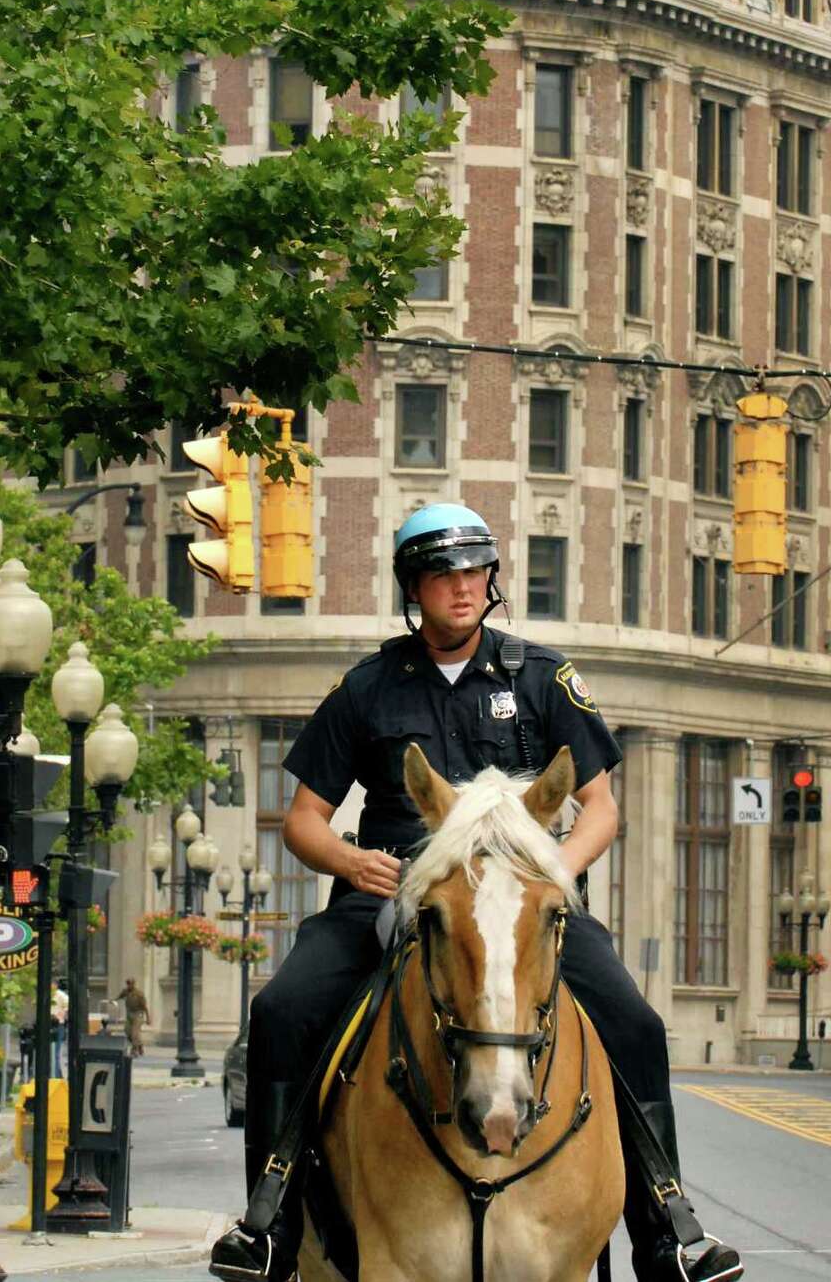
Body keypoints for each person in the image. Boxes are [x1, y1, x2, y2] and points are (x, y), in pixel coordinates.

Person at [210, 504, 743, 1282]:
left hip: (521, 900)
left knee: (635, 1020)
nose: (461, 588)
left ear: (490, 579)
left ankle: (667, 1228)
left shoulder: (543, 677)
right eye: (441, 575)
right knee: (281, 1010)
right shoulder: (367, 687)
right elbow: (303, 820)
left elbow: (600, 806)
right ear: (413, 588)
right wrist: (351, 862)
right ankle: (271, 1223)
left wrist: (552, 869)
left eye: (473, 572)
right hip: (398, 889)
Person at [117, 978, 150, 1057]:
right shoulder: (126, 991)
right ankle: (139, 1045)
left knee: (135, 1034)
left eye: (130, 984)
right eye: (127, 983)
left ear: (133, 984)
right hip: (129, 1014)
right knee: (127, 1031)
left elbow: (145, 1007)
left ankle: (134, 1050)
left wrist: (148, 1018)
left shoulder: (139, 994)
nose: (129, 985)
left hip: (138, 1014)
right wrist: (113, 1000)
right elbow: (120, 996)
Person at [50, 983, 69, 1078]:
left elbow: (68, 1004)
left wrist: (62, 1013)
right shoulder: (47, 994)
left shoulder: (60, 995)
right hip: (49, 1023)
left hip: (58, 1024)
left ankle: (57, 1074)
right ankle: (52, 1073)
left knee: (56, 1051)